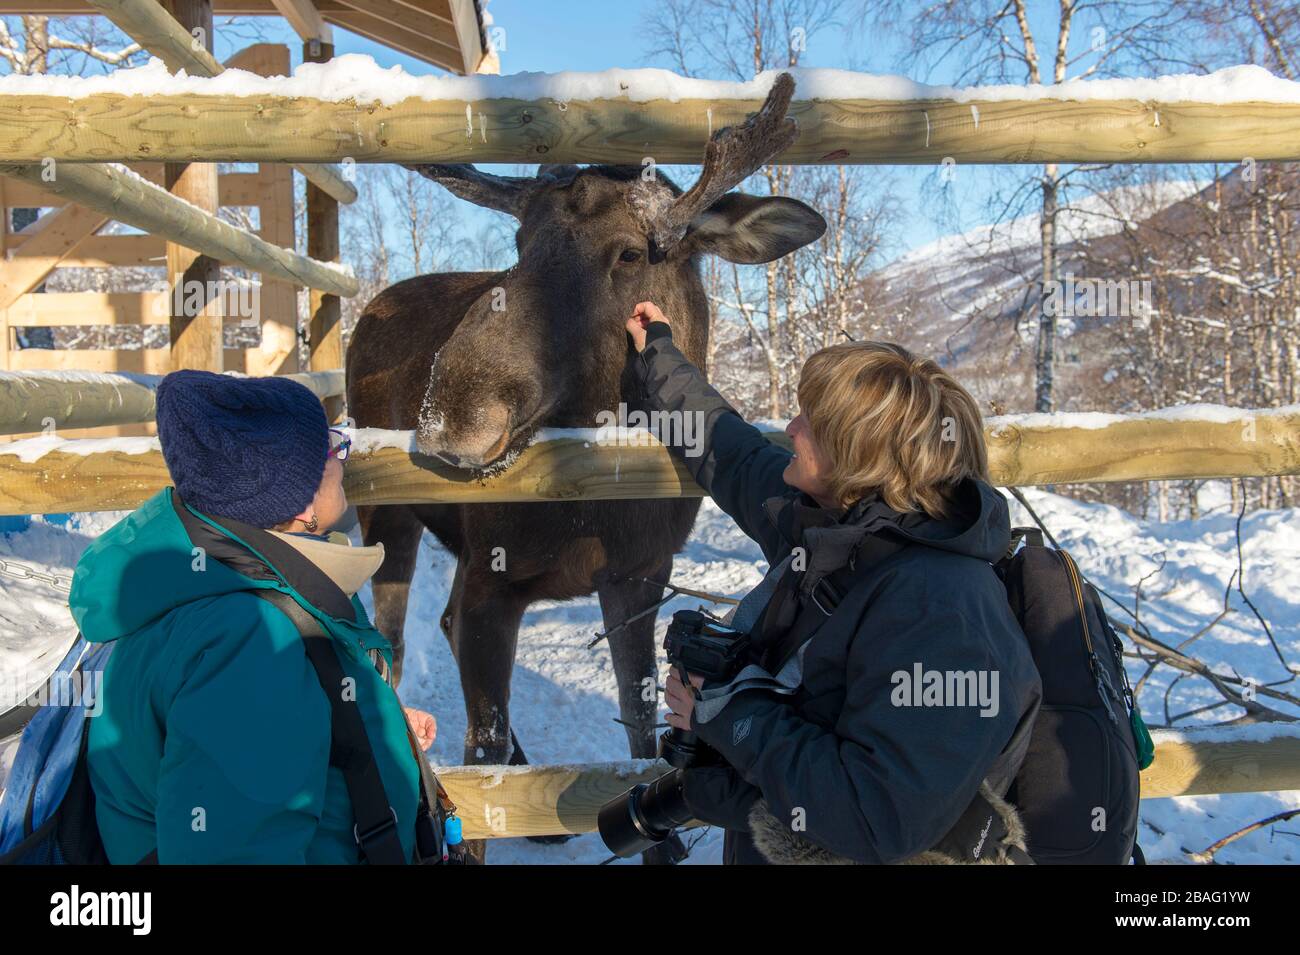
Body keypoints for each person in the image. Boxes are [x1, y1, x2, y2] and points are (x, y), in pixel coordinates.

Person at [625, 301, 1043, 865]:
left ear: (859, 457)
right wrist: (658, 352)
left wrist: (731, 709)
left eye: (810, 424)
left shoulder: (942, 606)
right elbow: (728, 447)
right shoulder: (827, 528)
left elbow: (877, 818)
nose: (791, 430)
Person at [72, 370, 438, 864]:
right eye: (330, 447)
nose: (342, 455)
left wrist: (375, 725)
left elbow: (276, 736)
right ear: (297, 499)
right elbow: (234, 847)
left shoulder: (239, 579)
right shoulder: (248, 640)